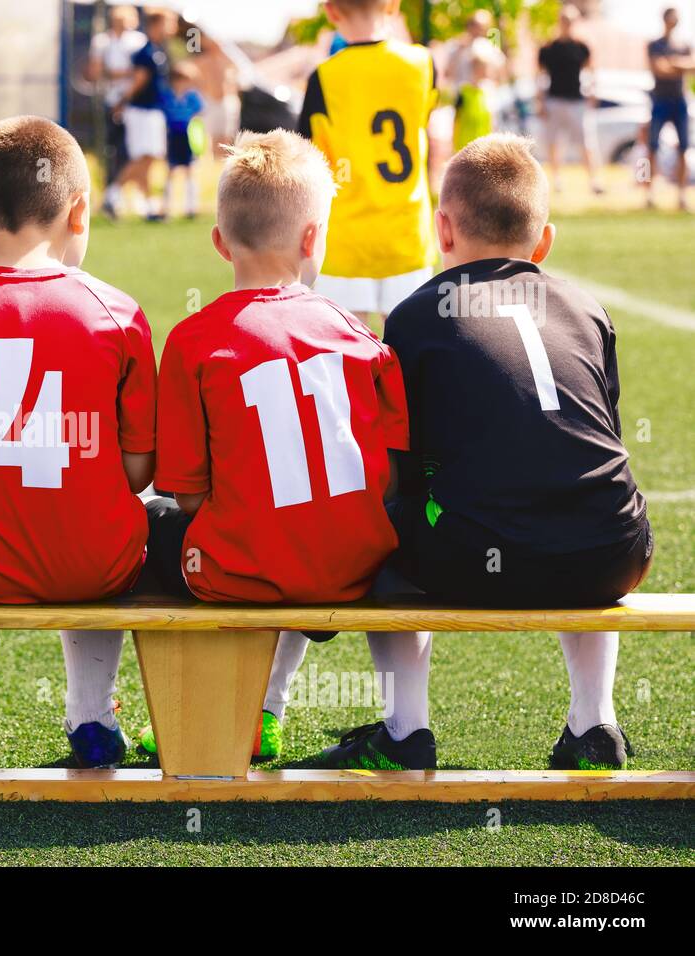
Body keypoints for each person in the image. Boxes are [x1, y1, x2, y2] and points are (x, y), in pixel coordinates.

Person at [348, 134, 651, 771]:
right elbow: (602, 440)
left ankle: (405, 733)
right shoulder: (587, 308)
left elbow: (401, 473)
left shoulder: (415, 317)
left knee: (381, 524)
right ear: (544, 243)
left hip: (476, 557)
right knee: (585, 490)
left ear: (443, 230)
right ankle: (596, 723)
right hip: (613, 552)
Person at [135, 130, 410, 762]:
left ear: (219, 242)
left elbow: (189, 493)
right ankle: (264, 709)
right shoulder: (358, 335)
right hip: (356, 566)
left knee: (154, 528)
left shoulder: (194, 339)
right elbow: (392, 477)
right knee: (291, 519)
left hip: (241, 571)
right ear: (314, 238)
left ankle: (187, 718)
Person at [0, 116, 156, 769]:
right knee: (103, 517)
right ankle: (93, 717)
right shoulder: (118, 313)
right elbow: (136, 471)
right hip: (94, 564)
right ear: (78, 212)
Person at [298, 0, 437, 321]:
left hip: (347, 239)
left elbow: (308, 156)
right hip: (407, 235)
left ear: (332, 11)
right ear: (392, 5)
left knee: (345, 354)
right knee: (409, 354)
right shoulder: (422, 63)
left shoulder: (325, 76)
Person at [114, 7, 179, 220]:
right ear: (156, 24)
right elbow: (139, 81)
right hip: (143, 112)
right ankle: (112, 195)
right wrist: (122, 102)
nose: (172, 27)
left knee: (148, 160)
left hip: (152, 111)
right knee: (146, 156)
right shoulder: (147, 52)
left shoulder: (159, 50)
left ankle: (150, 207)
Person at [87, 5, 147, 218]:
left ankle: (133, 196)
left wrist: (118, 75)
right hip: (110, 102)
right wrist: (114, 74)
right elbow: (94, 72)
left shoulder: (138, 41)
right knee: (110, 151)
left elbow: (141, 72)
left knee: (134, 152)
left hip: (133, 103)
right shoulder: (102, 42)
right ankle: (111, 199)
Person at [537, 5, 603, 196]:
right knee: (554, 143)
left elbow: (592, 71)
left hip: (576, 101)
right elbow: (540, 77)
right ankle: (556, 180)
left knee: (586, 143)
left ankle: (593, 181)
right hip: (554, 100)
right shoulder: (548, 48)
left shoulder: (582, 47)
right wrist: (540, 102)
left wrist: (592, 91)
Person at [646, 7, 694, 210]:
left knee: (683, 147)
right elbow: (659, 69)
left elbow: (692, 67)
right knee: (651, 148)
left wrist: (674, 63)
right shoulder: (655, 44)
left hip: (680, 101)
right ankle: (649, 193)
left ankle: (682, 195)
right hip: (659, 100)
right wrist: (679, 65)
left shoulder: (684, 44)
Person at [448, 11, 505, 153]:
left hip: (485, 96)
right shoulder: (458, 46)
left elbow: (500, 72)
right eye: (474, 25)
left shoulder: (490, 46)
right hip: (464, 98)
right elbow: (450, 72)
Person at [164, 61, 205, 218]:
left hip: (188, 136)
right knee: (171, 170)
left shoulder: (193, 97)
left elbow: (199, 113)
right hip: (173, 136)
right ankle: (167, 207)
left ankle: (191, 207)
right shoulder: (167, 97)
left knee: (190, 170)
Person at [197, 33, 241, 158]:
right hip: (211, 101)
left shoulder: (227, 60)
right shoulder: (202, 61)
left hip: (225, 102)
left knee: (226, 136)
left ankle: (222, 160)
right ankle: (215, 159)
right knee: (213, 135)